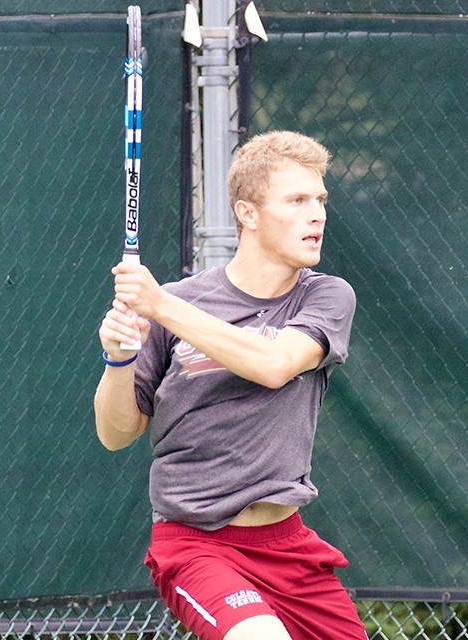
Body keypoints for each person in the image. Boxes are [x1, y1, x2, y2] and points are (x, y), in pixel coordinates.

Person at [94, 131, 367, 640]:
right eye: (297, 200)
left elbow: (273, 364)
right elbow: (117, 432)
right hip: (196, 544)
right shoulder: (175, 302)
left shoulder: (327, 297)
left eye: (320, 200)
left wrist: (161, 307)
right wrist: (118, 359)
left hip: (288, 546)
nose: (318, 214)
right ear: (247, 213)